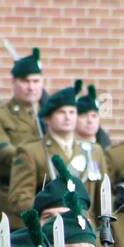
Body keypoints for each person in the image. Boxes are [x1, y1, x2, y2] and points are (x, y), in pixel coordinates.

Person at [9, 83, 105, 221]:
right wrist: (48, 209)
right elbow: (18, 199)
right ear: (48, 118)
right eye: (61, 112)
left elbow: (102, 199)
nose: (68, 117)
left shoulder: (94, 150)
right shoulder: (31, 151)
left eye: (72, 112)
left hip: (86, 230)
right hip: (49, 226)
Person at [0, 47, 45, 230]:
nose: (31, 87)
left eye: (36, 81)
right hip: (10, 203)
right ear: (14, 83)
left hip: (46, 198)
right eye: (25, 81)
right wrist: (31, 159)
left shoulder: (50, 114)